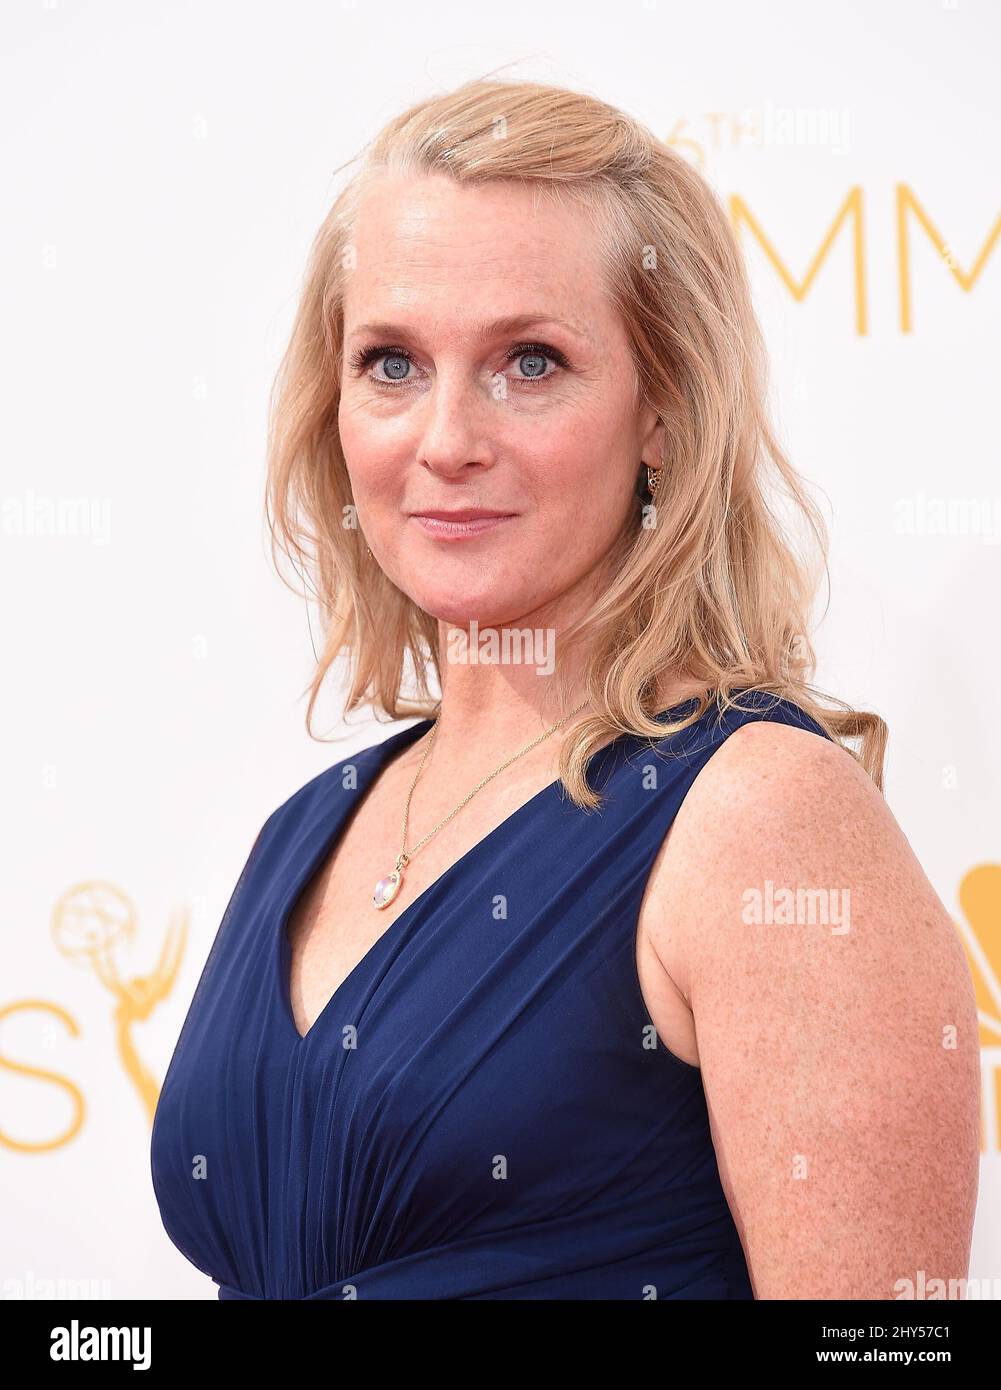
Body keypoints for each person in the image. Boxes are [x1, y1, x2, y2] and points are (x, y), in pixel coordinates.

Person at [150, 77, 980, 1300]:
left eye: (527, 362)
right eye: (390, 363)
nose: (444, 439)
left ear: (660, 411)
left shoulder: (759, 820)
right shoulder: (306, 829)